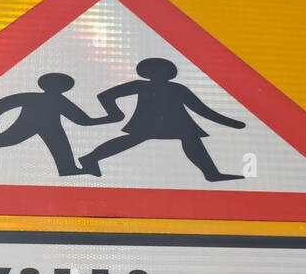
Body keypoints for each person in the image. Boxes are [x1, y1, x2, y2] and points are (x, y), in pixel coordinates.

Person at [78, 58, 246, 181]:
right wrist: (115, 114)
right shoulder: (140, 85)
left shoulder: (177, 88)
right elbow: (106, 96)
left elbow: (200, 109)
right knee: (133, 140)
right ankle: (90, 158)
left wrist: (230, 123)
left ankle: (211, 173)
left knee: (190, 139)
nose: (161, 74)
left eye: (164, 70)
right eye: (156, 70)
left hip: (175, 122)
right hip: (150, 121)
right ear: (148, 72)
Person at [0, 73, 119, 176]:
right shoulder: (44, 98)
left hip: (50, 128)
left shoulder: (56, 100)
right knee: (8, 140)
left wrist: (110, 119)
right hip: (30, 125)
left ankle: (68, 169)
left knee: (60, 146)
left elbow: (82, 120)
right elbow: (4, 104)